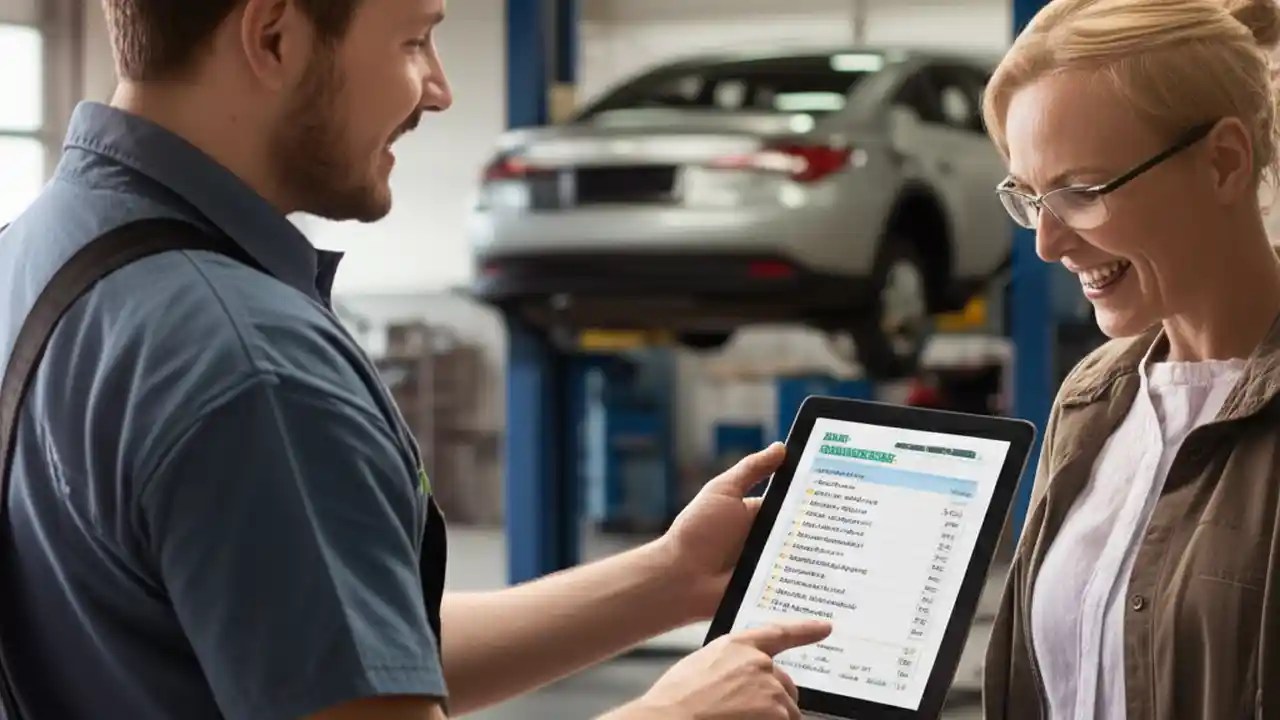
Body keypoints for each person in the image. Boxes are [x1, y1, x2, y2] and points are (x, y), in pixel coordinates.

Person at [0, 0, 833, 718]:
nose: (439, 88)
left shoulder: (33, 258)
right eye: (413, 41)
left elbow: (336, 655)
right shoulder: (254, 367)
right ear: (275, 37)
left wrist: (669, 579)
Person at [979, 0, 1280, 717]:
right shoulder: (1092, 399)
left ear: (1223, 163)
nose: (1047, 244)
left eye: (1080, 192)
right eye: (1030, 198)